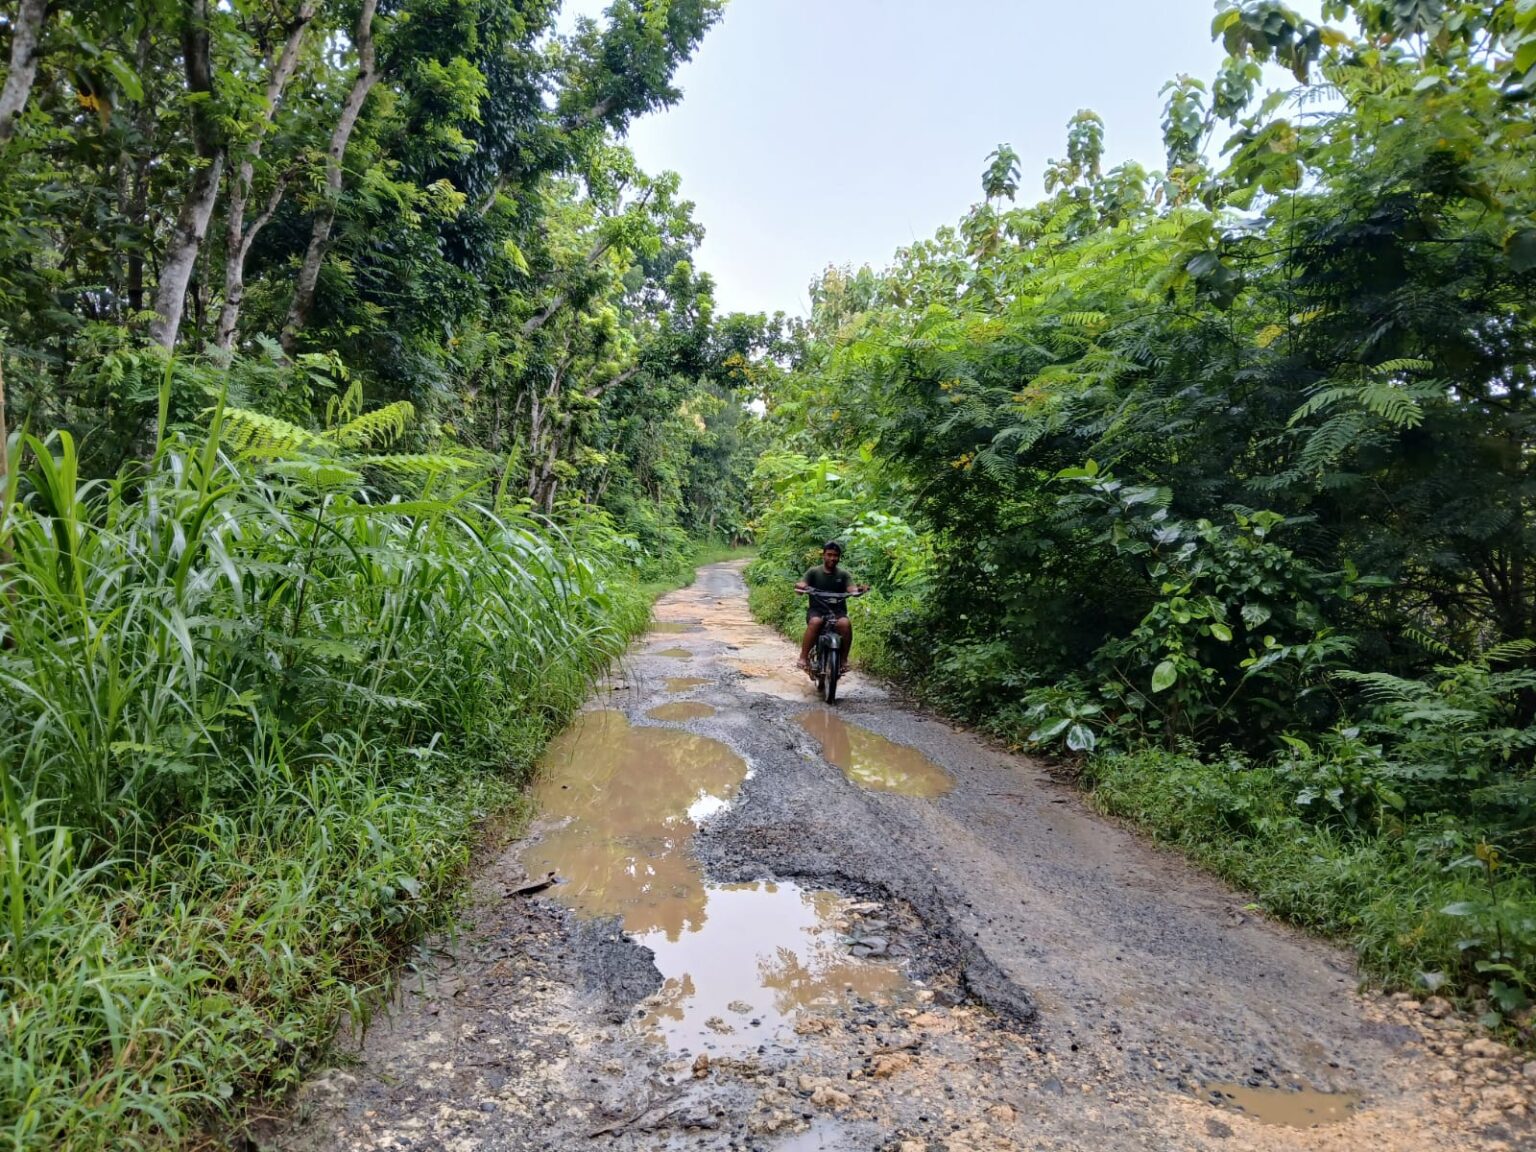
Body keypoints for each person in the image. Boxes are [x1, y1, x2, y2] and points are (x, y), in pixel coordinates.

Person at [795, 541, 869, 677]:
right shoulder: (813, 572)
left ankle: (843, 660)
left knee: (845, 624)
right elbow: (801, 585)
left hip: (837, 611)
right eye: (829, 555)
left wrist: (859, 590)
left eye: (835, 555)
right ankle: (803, 657)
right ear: (823, 555)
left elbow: (851, 589)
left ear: (839, 557)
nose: (832, 558)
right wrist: (802, 586)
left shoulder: (843, 575)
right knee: (815, 622)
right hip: (817, 610)